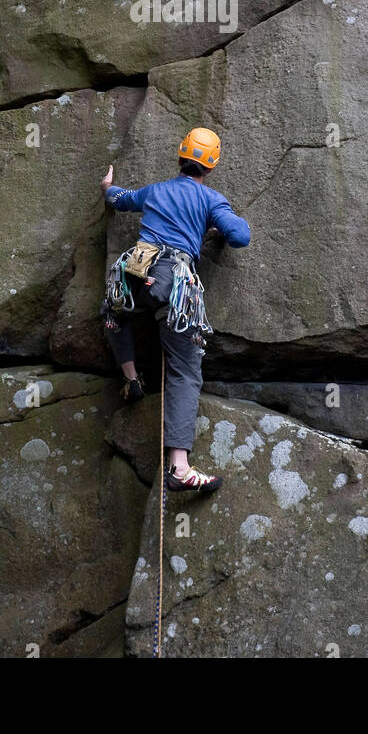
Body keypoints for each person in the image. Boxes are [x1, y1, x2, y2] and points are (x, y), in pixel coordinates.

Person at [100, 127, 250, 493]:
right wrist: (215, 220)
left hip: (136, 273)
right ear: (210, 167)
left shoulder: (156, 191)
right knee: (185, 370)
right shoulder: (211, 199)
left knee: (112, 312)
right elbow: (240, 237)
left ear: (180, 156)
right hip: (172, 283)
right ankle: (179, 468)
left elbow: (121, 199)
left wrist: (106, 187)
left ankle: (132, 378)